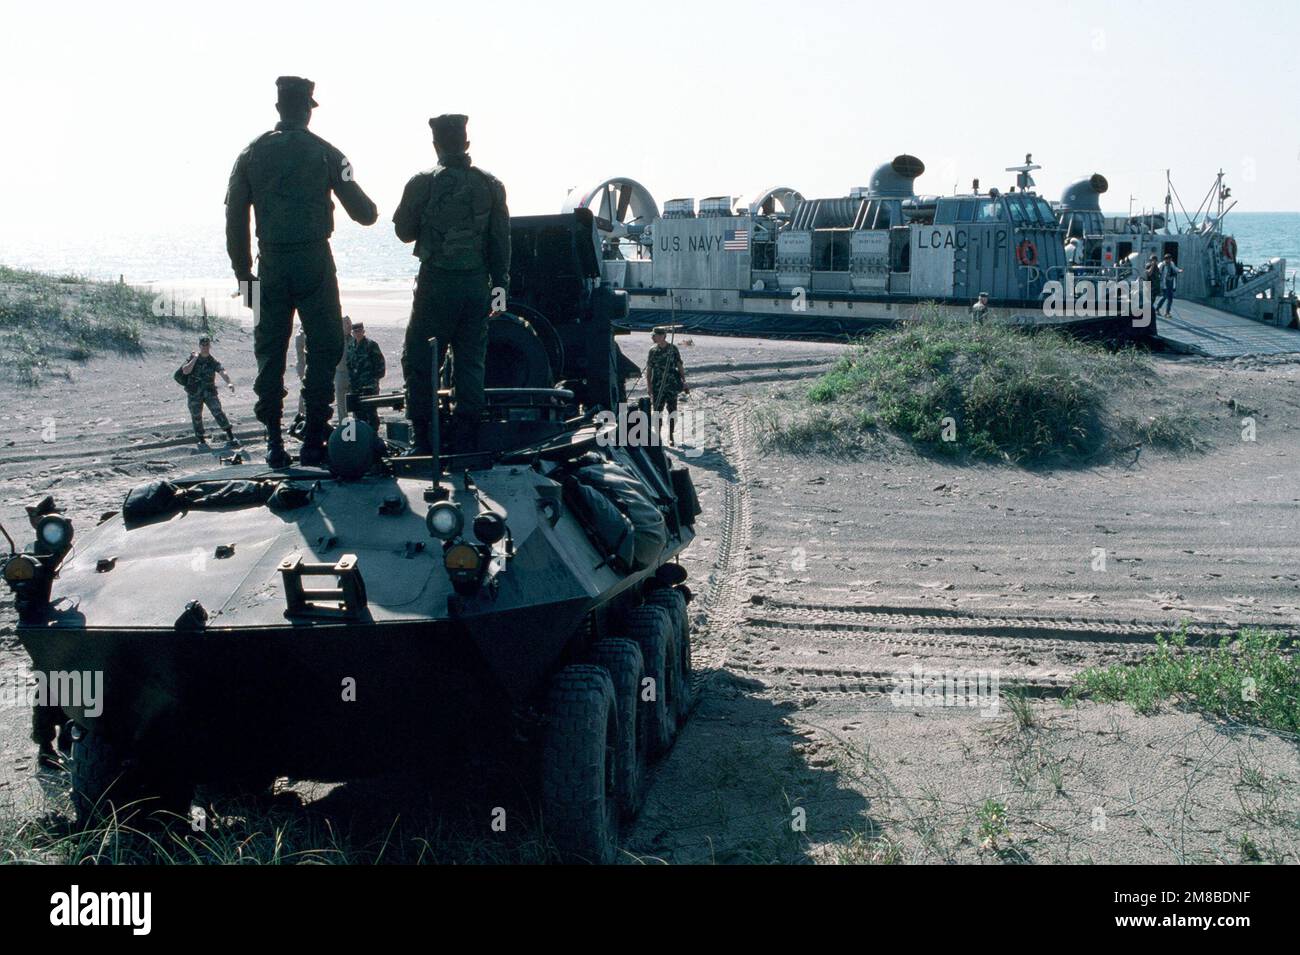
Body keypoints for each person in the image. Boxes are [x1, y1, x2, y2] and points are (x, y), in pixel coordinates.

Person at [225, 76, 378, 468]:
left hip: (268, 265)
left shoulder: (250, 154)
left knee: (269, 352)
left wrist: (244, 277)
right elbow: (366, 214)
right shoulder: (327, 154)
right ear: (308, 109)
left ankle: (275, 444)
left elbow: (234, 218)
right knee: (325, 348)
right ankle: (313, 440)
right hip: (315, 263)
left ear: (279, 109)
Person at [393, 113, 510, 453]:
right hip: (477, 286)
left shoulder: (422, 182)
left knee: (420, 358)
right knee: (471, 361)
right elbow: (501, 244)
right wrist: (499, 291)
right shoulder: (491, 185)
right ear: (467, 144)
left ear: (436, 145)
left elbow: (403, 232)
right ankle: (467, 440)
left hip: (435, 285)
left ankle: (424, 439)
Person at [179, 335, 237, 448]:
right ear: (199, 346)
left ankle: (230, 435)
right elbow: (185, 371)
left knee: (218, 412)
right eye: (203, 345)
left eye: (207, 345)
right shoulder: (192, 358)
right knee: (196, 415)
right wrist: (195, 358)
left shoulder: (212, 361)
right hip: (194, 393)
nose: (205, 347)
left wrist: (229, 382)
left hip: (209, 392)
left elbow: (222, 371)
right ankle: (201, 439)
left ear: (210, 346)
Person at [646, 326, 688, 445]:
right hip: (657, 386)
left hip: (671, 385)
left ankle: (671, 436)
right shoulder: (652, 351)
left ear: (662, 336)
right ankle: (658, 437)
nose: (652, 337)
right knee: (657, 411)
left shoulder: (673, 349)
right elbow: (649, 370)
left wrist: (684, 382)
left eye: (654, 335)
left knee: (672, 411)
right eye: (652, 335)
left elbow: (679, 366)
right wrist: (649, 386)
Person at [345, 321, 386, 430]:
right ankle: (362, 436)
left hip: (369, 385)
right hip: (355, 385)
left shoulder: (371, 345)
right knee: (358, 412)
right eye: (355, 332)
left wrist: (374, 378)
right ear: (352, 333)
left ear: (363, 332)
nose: (357, 333)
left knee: (371, 411)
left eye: (359, 331)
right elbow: (348, 363)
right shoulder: (351, 346)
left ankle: (373, 435)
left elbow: (380, 364)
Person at [1154, 252, 1183, 317]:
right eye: (1168, 259)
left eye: (1170, 259)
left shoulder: (1171, 263)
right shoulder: (1162, 265)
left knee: (1170, 298)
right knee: (1164, 297)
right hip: (1164, 283)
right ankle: (1157, 309)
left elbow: (1175, 268)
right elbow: (1158, 272)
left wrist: (1179, 270)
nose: (1170, 261)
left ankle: (1167, 312)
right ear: (1165, 259)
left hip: (1171, 282)